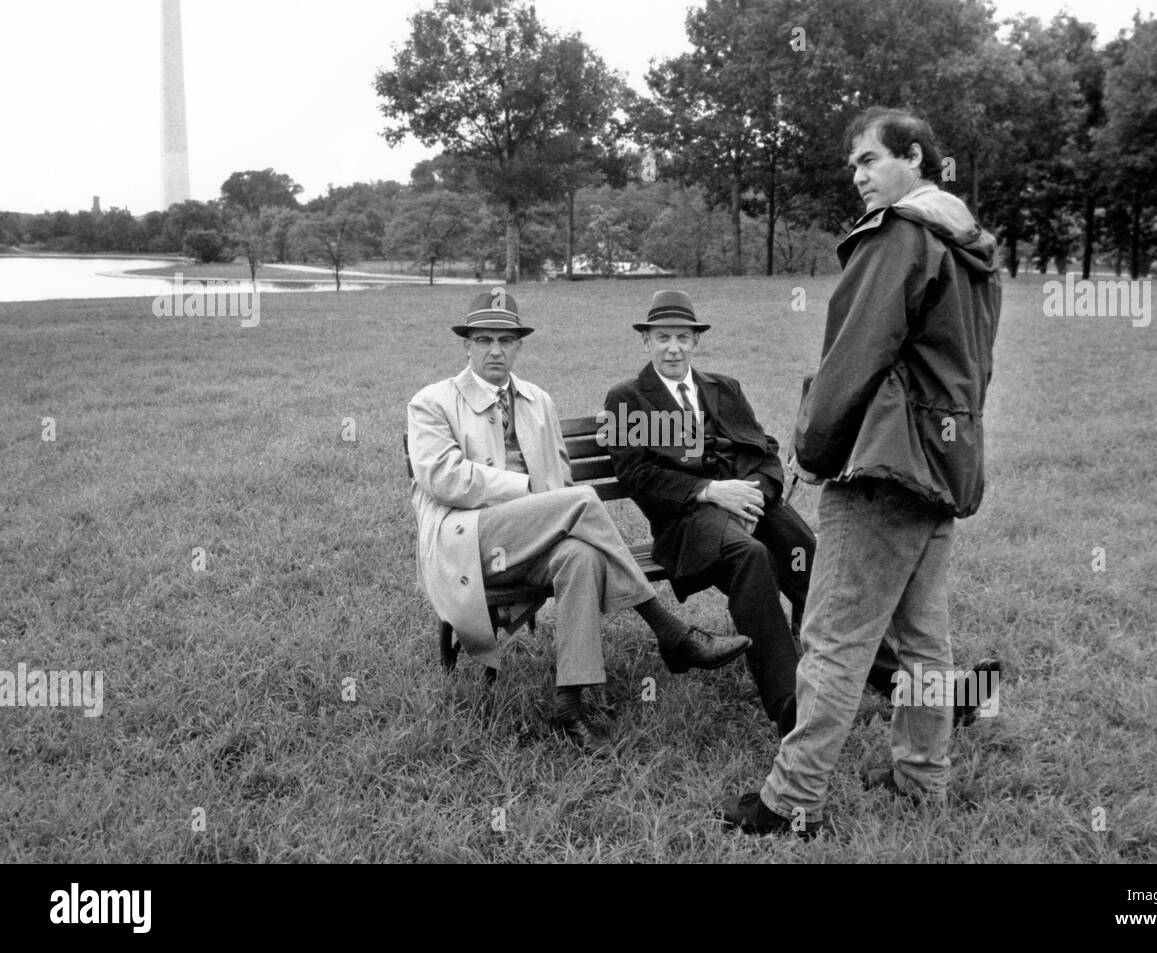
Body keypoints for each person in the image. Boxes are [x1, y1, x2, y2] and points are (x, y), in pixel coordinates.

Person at [721, 106, 1002, 836]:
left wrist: (812, 450)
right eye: (854, 165)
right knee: (923, 636)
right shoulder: (970, 247)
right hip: (945, 462)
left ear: (914, 156)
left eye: (869, 160)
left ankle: (790, 802)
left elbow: (854, 355)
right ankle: (921, 775)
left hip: (882, 465)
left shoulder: (903, 234)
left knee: (835, 638)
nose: (857, 176)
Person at [407, 291, 751, 756]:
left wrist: (549, 505)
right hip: (469, 540)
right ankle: (670, 631)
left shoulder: (536, 401)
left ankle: (569, 705)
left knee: (581, 555)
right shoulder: (432, 402)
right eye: (484, 340)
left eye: (506, 341)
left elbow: (562, 478)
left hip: (535, 537)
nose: (495, 351)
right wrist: (529, 490)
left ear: (519, 347)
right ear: (466, 346)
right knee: (583, 499)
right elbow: (444, 479)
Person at [603, 291, 813, 737]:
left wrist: (751, 495)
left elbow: (765, 451)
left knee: (809, 556)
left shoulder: (724, 388)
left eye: (682, 337)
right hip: (686, 523)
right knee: (751, 557)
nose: (673, 347)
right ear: (646, 342)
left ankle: (900, 682)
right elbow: (637, 476)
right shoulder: (627, 399)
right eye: (663, 338)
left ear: (695, 341)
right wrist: (710, 490)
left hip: (747, 502)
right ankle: (790, 705)